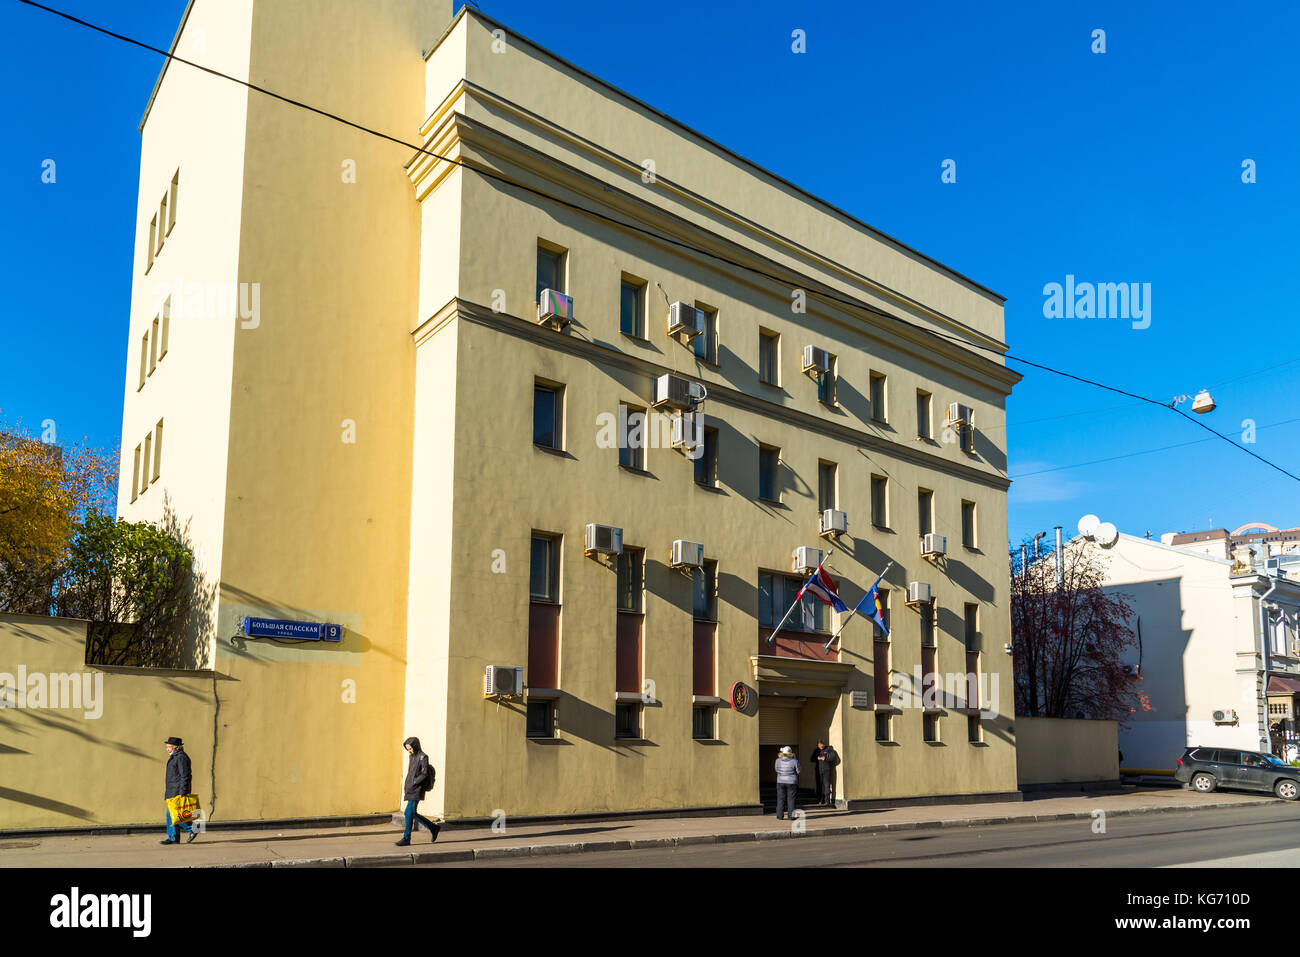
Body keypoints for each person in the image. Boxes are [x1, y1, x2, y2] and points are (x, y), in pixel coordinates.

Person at [396, 736, 439, 846]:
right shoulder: (412, 757)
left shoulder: (423, 757)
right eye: (407, 749)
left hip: (417, 788)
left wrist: (414, 782)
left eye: (410, 748)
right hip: (411, 788)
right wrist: (408, 784)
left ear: (415, 745)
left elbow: (424, 773)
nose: (409, 751)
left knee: (408, 812)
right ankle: (433, 827)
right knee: (410, 813)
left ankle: (407, 838)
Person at [161, 736, 197, 845]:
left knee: (173, 814)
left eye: (169, 747)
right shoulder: (174, 757)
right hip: (172, 789)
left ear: (176, 747)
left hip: (177, 791)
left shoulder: (181, 758)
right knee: (171, 814)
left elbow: (185, 776)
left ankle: (192, 829)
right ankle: (173, 838)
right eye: (167, 746)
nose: (167, 749)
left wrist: (183, 791)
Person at [774, 745, 800, 821]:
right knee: (791, 799)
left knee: (780, 799)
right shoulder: (795, 761)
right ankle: (791, 816)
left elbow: (776, 770)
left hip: (780, 781)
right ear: (791, 753)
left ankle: (780, 816)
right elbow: (799, 771)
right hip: (792, 782)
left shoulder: (777, 760)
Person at [819, 742, 840, 806]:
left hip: (827, 770)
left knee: (827, 785)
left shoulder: (829, 750)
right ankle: (821, 800)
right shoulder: (819, 750)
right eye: (819, 745)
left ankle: (827, 801)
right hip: (820, 770)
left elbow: (833, 758)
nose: (820, 746)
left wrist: (825, 758)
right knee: (821, 785)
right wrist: (818, 758)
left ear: (823, 744)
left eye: (821, 745)